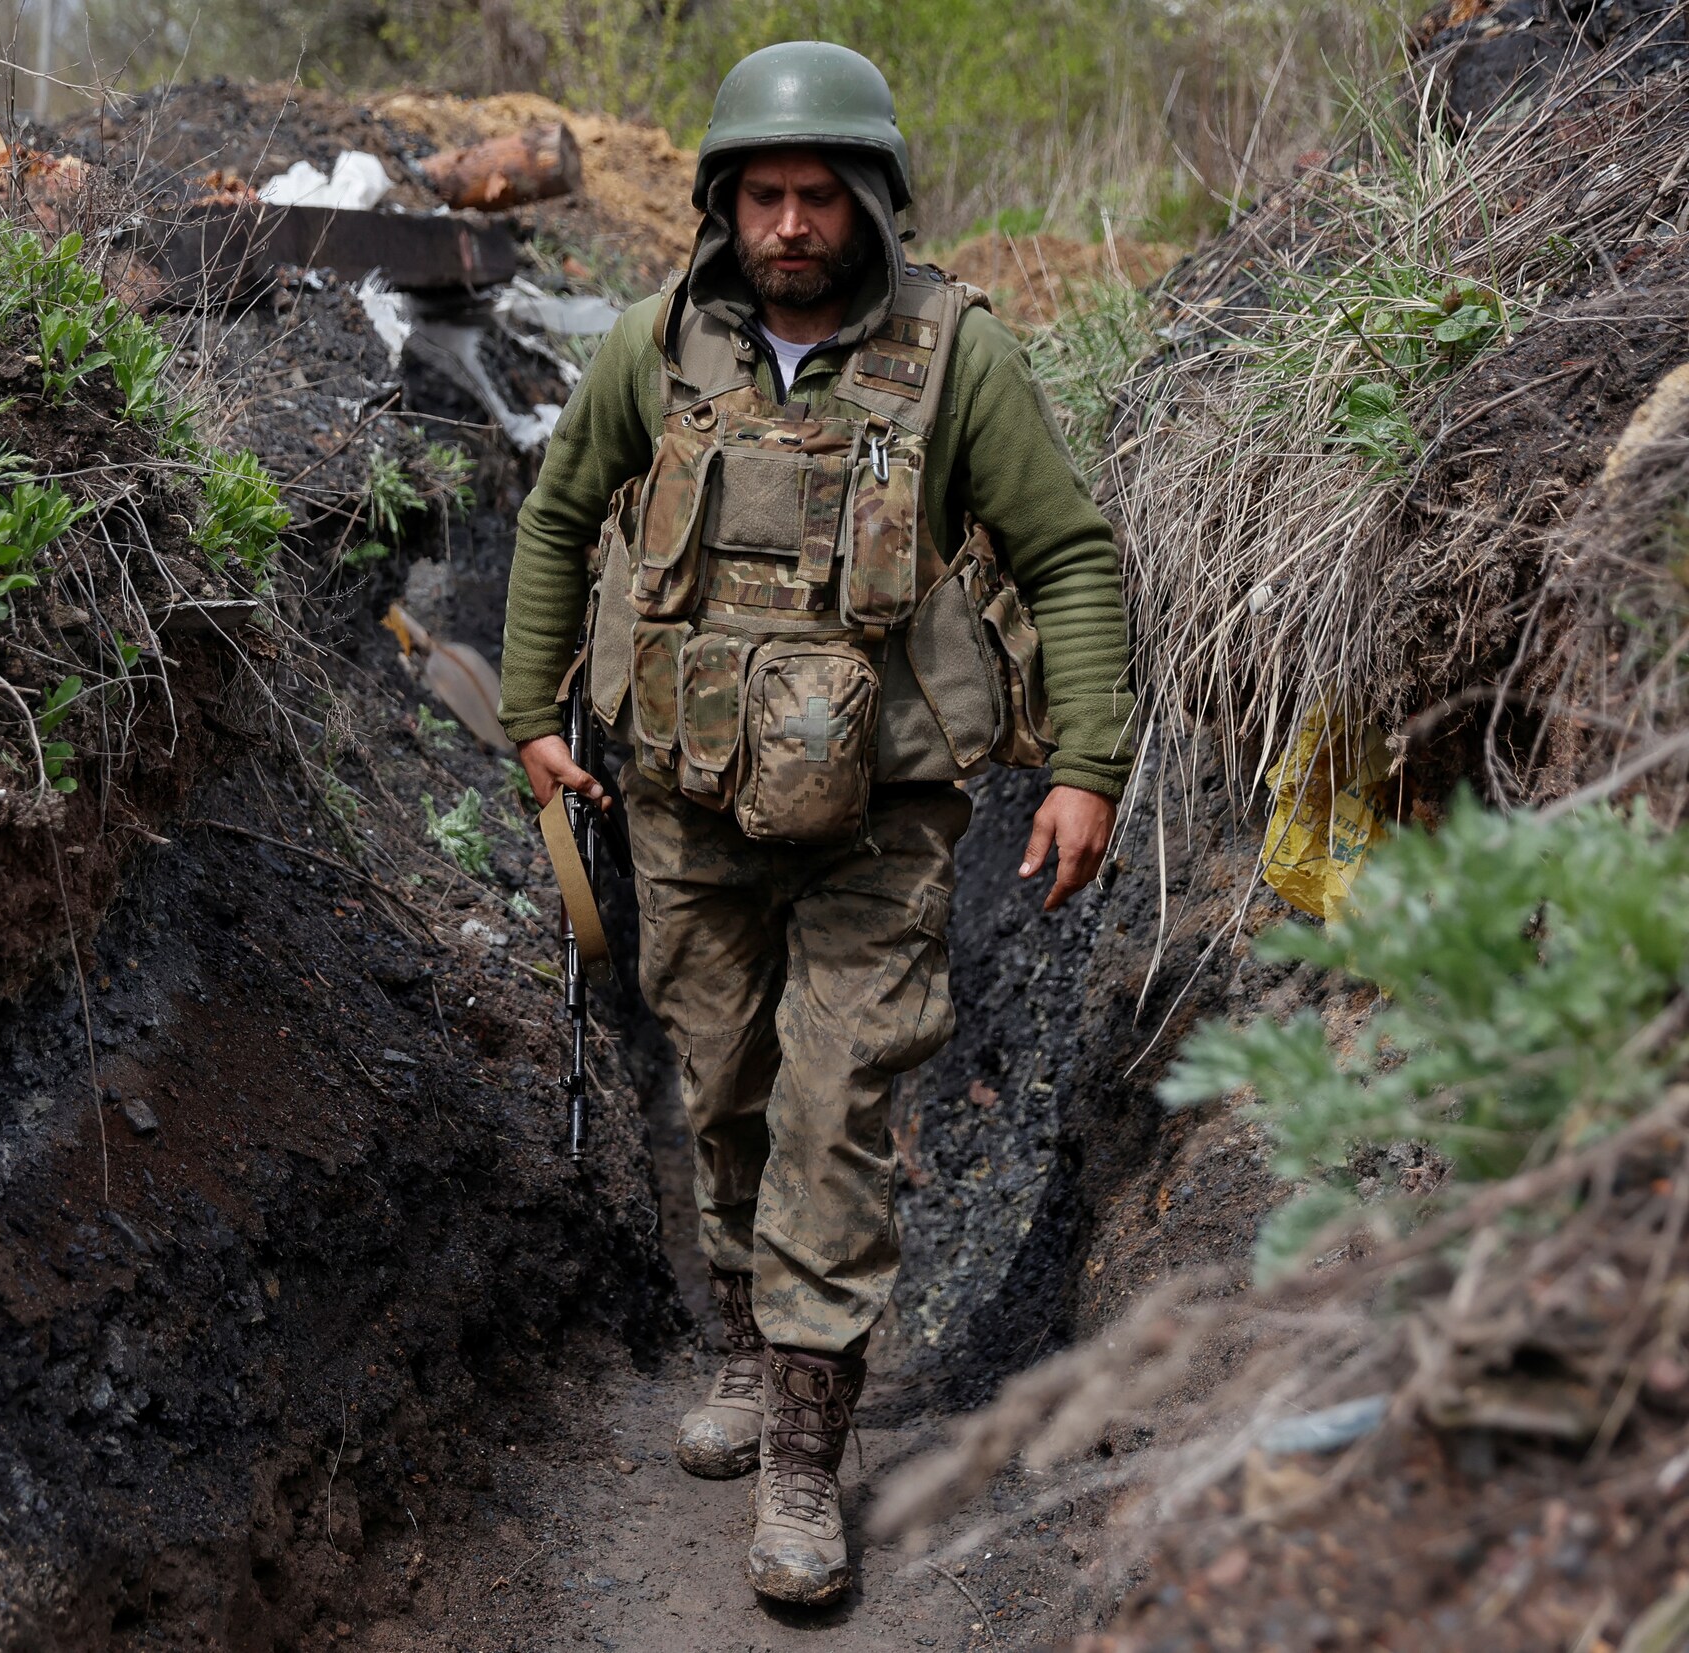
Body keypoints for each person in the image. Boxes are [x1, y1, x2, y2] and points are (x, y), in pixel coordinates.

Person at [496, 41, 1134, 1606]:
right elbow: (561, 512)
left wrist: (1088, 764)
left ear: (871, 203)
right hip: (685, 806)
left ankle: (803, 1459)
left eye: (818, 196)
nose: (791, 224)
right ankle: (739, 1340)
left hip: (884, 821)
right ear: (725, 205)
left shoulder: (958, 360)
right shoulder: (654, 347)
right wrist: (530, 716)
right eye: (764, 195)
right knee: (721, 1089)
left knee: (831, 1108)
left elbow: (1067, 552)